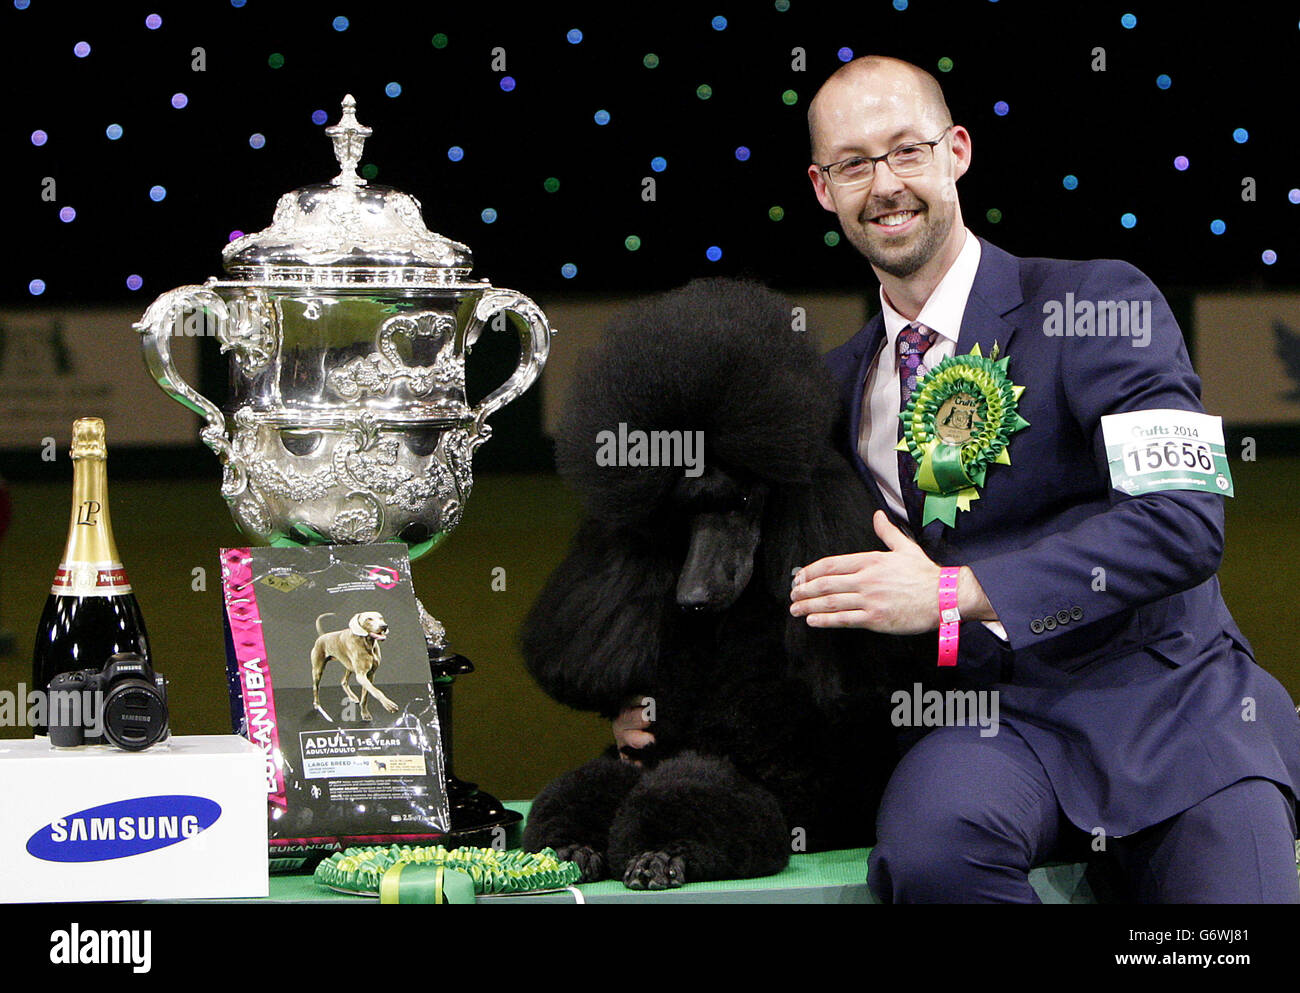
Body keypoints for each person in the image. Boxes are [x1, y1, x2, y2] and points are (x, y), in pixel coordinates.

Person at [770, 54, 1300, 902]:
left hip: (1173, 701)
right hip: (989, 726)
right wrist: (651, 700)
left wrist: (958, 593)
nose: (886, 185)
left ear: (958, 152)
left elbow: (1184, 523)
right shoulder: (830, 390)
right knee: (929, 855)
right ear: (822, 188)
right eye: (854, 164)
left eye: (908, 150)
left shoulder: (1103, 304)